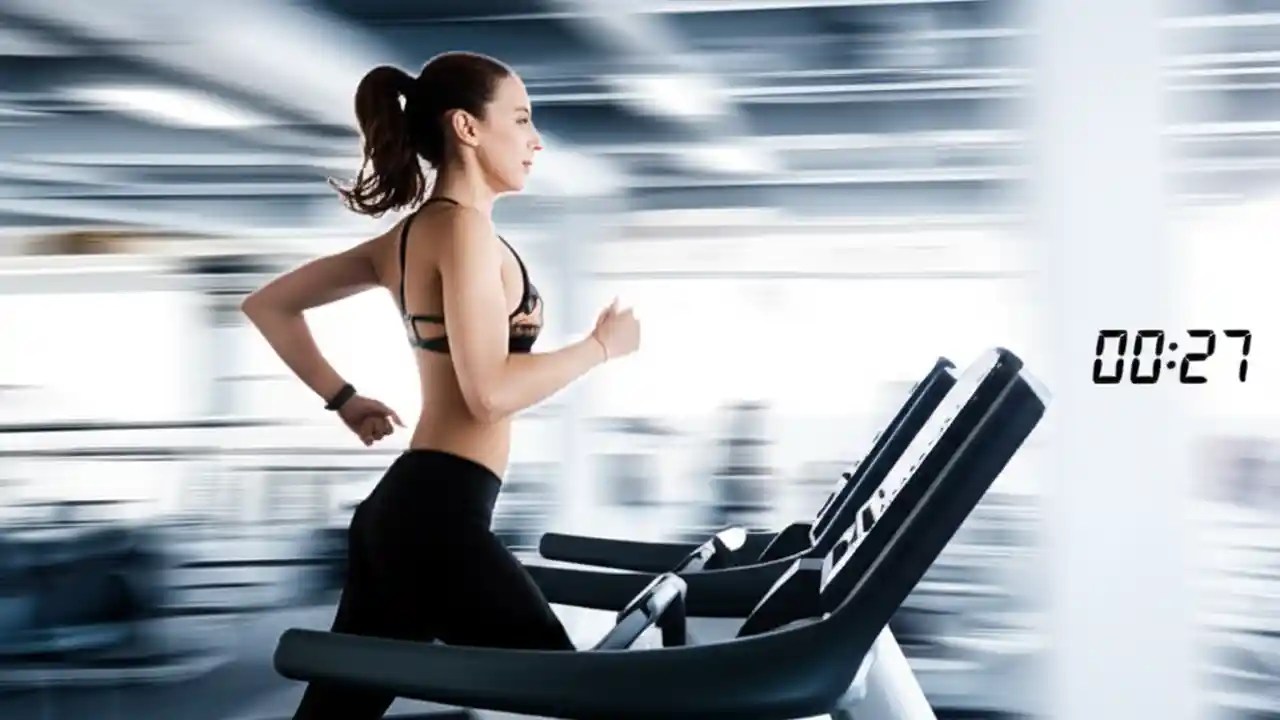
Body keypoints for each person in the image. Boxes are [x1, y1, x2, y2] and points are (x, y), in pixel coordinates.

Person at [240, 51, 641, 719]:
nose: (536, 139)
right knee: (577, 697)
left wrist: (346, 401)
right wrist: (598, 348)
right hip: (434, 522)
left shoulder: (412, 236)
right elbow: (488, 394)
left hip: (407, 513)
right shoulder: (459, 229)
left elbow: (269, 305)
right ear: (467, 127)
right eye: (520, 118)